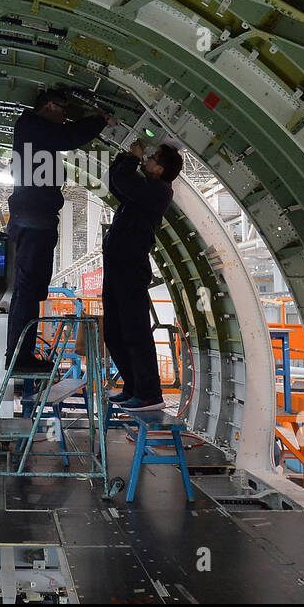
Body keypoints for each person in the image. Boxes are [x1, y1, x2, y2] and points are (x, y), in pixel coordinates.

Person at [6, 89, 113, 372]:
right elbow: (69, 137)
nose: (65, 119)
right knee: (27, 291)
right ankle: (19, 359)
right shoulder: (32, 125)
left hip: (33, 218)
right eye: (63, 113)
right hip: (33, 219)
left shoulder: (34, 131)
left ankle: (20, 355)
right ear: (50, 106)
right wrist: (100, 120)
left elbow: (64, 136)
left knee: (30, 290)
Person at [102, 140, 184, 411]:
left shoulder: (158, 191)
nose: (147, 160)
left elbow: (125, 181)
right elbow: (116, 183)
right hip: (117, 266)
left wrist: (131, 158)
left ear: (160, 170)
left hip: (130, 267)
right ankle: (133, 386)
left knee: (135, 331)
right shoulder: (143, 192)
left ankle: (149, 394)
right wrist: (126, 158)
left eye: (152, 159)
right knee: (114, 331)